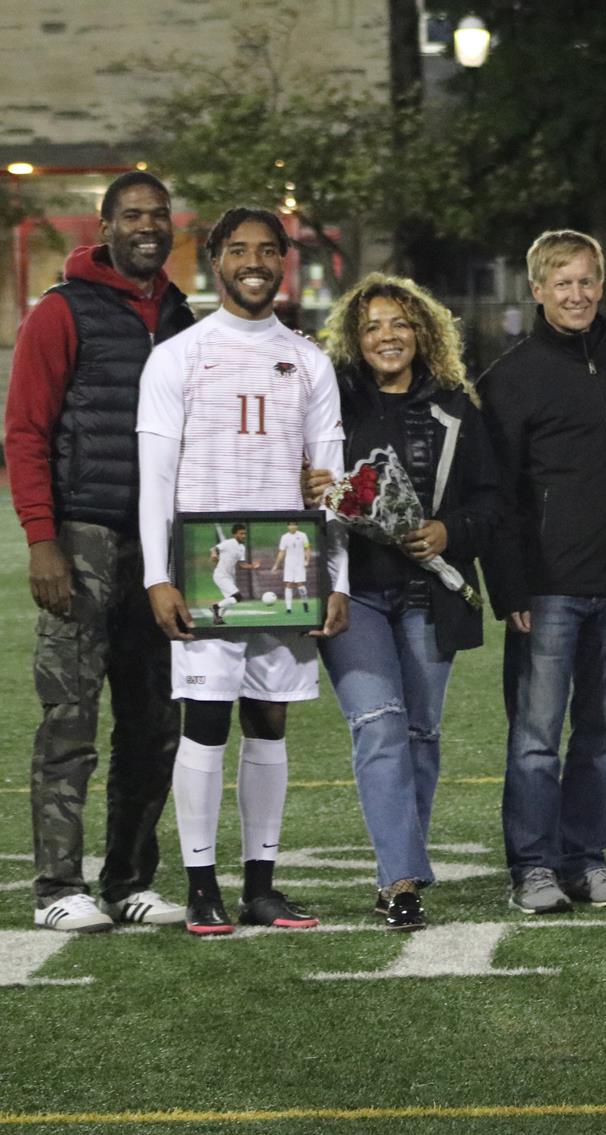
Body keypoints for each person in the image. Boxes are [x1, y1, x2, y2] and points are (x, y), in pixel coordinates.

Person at [136, 205, 350, 934]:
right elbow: (154, 476)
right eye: (237, 250)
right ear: (215, 262)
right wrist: (154, 575)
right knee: (203, 723)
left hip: (287, 572)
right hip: (207, 569)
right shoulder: (180, 356)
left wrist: (338, 578)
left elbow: (333, 479)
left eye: (267, 250)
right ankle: (202, 886)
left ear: (284, 260)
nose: (253, 261)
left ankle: (262, 884)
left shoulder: (309, 359)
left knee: (269, 723)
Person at [7, 170, 190, 932]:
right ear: (106, 225)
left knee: (155, 720)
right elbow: (24, 431)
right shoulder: (61, 310)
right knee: (70, 719)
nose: (147, 225)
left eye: (158, 215)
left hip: (164, 548)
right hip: (82, 536)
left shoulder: (184, 317)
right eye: (133, 215)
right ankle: (57, 885)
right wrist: (42, 540)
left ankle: (129, 878)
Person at [315, 273, 501, 929]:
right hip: (353, 590)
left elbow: (492, 501)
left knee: (420, 732)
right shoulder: (331, 404)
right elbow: (312, 482)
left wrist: (451, 530)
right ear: (354, 340)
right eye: (373, 327)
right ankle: (400, 880)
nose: (387, 336)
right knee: (379, 723)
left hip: (429, 592)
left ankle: (396, 869)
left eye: (399, 324)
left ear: (421, 331)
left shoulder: (455, 407)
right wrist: (319, 486)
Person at [482, 229, 606, 915]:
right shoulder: (510, 378)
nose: (577, 293)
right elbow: (497, 495)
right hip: (547, 588)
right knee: (535, 738)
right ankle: (533, 867)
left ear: (601, 284)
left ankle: (585, 858)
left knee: (603, 735)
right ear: (538, 289)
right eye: (563, 282)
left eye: (587, 280)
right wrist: (512, 585)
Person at [206, 523, 257, 625]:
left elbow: (241, 564)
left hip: (230, 577)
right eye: (241, 533)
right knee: (238, 597)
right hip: (221, 576)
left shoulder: (242, 547)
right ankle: (215, 607)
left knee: (231, 601)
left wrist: (251, 566)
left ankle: (218, 618)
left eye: (245, 533)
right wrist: (214, 554)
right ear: (235, 534)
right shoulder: (228, 543)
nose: (244, 535)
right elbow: (214, 549)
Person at [276, 520, 312, 614]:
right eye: (291, 525)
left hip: (299, 563)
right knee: (288, 584)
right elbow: (282, 551)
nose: (292, 527)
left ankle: (305, 603)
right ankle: (288, 609)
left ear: (297, 526)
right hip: (289, 564)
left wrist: (307, 560)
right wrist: (276, 565)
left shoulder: (303, 535)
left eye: (294, 525)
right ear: (288, 526)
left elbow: (307, 548)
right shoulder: (284, 537)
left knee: (300, 585)